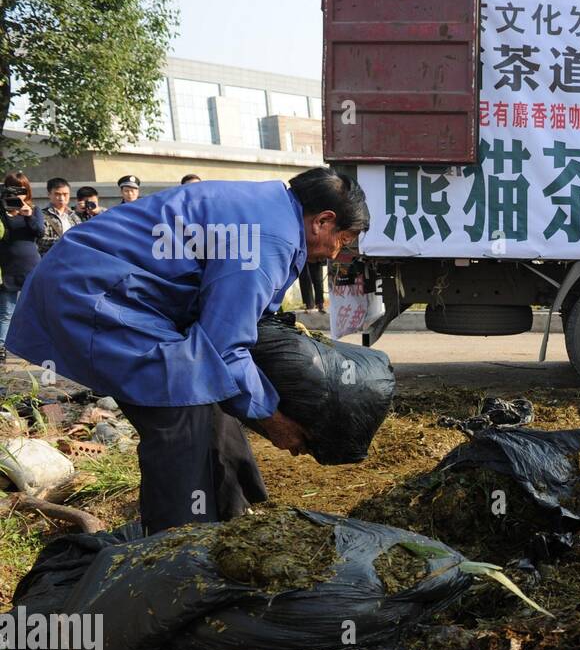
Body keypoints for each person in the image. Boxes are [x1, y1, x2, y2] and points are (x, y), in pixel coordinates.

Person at [6, 167, 371, 532]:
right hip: (94, 291)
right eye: (345, 240)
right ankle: (174, 547)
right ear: (323, 221)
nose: (340, 254)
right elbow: (223, 346)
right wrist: (273, 420)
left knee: (210, 398)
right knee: (179, 408)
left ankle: (234, 522)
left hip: (115, 286)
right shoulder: (269, 238)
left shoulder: (272, 211)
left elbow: (232, 329)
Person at [0, 172, 45, 365]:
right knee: (6, 312)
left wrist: (27, 215)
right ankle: (1, 348)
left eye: (22, 189)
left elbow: (39, 232)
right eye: (13, 189)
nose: (19, 193)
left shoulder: (34, 210)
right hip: (7, 267)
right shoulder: (1, 211)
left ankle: (39, 346)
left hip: (31, 265)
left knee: (36, 308)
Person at [37, 177, 79, 255]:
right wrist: (65, 241)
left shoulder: (74, 216)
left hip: (73, 257)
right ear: (49, 195)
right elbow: (40, 240)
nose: (62, 198)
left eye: (65, 194)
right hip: (53, 259)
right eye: (57, 194)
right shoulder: (42, 215)